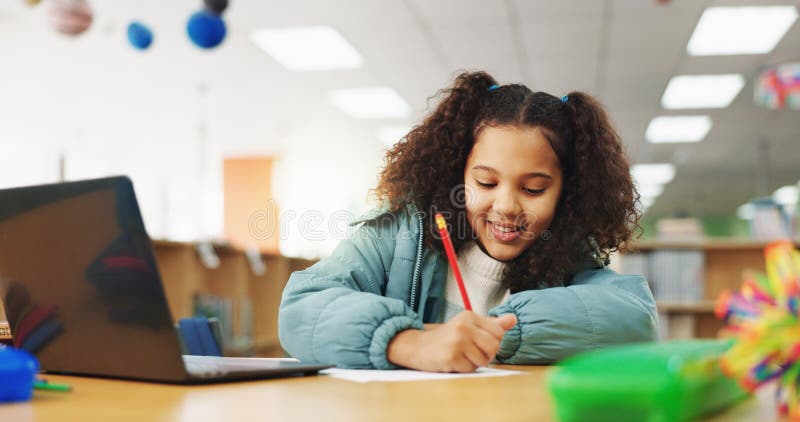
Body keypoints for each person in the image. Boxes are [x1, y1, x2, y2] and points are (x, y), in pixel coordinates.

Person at [279, 71, 658, 372]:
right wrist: (411, 343)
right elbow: (302, 307)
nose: (506, 206)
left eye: (534, 189)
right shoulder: (399, 232)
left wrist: (500, 334)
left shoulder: (565, 251)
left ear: (567, 192)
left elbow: (635, 317)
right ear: (457, 173)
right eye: (486, 182)